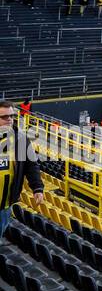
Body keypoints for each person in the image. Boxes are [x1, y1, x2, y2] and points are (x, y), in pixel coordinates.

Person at [0, 101, 44, 241]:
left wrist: (37, 187)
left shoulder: (21, 139)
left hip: (5, 206)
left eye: (11, 116)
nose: (9, 120)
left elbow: (31, 165)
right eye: (4, 117)